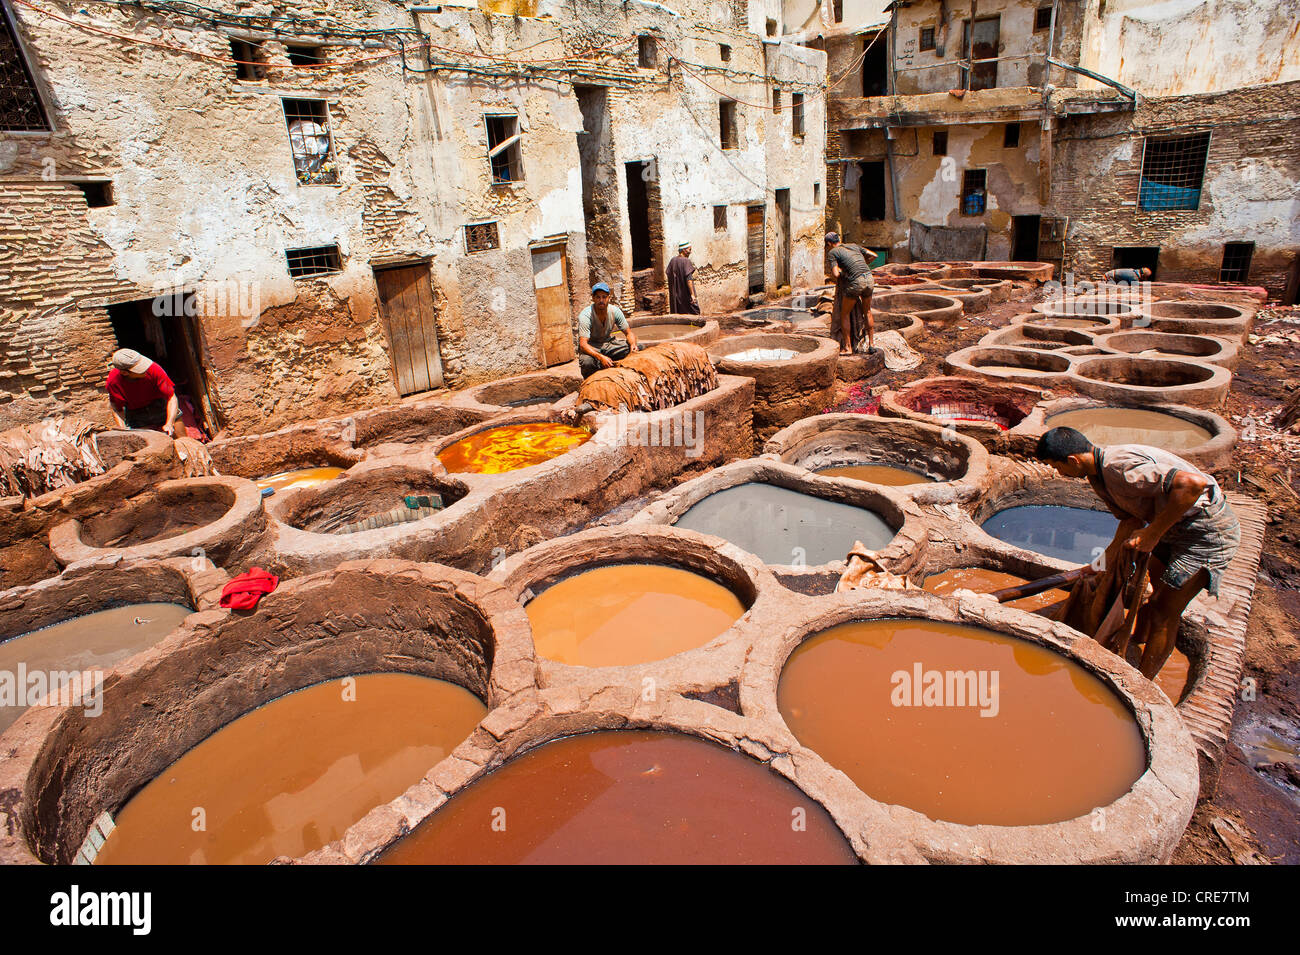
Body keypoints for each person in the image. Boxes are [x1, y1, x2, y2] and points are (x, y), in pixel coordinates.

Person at [1035, 426, 1240, 679]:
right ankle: (1138, 642)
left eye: (1057, 467)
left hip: (1204, 533)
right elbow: (1130, 523)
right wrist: (1100, 564)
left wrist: (1153, 533)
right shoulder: (1097, 475)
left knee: (1163, 611)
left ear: (1072, 460)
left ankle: (1141, 684)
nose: (1060, 474)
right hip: (1173, 525)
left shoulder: (1118, 468)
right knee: (1148, 588)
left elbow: (1192, 485)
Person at [105, 348, 180, 437]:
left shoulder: (153, 368)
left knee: (180, 435)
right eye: (140, 368)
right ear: (125, 373)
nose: (145, 369)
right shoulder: (113, 382)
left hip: (160, 404)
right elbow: (117, 408)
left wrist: (169, 423)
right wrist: (123, 429)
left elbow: (172, 397)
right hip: (137, 413)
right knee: (146, 442)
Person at [825, 232, 875, 355]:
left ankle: (848, 347)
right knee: (867, 311)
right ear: (839, 239)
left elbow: (836, 274)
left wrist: (846, 272)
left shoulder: (833, 252)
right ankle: (871, 344)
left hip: (856, 282)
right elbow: (873, 255)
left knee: (844, 314)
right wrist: (859, 266)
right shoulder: (853, 245)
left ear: (829, 243)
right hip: (869, 278)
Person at [577, 282, 640, 378]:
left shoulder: (615, 311)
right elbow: (583, 344)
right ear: (593, 298)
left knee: (639, 347)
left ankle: (629, 378)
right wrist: (600, 357)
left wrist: (633, 345)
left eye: (604, 297)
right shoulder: (586, 315)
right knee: (587, 362)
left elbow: (628, 333)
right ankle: (591, 383)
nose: (601, 300)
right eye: (598, 297)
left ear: (608, 298)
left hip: (608, 344)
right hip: (592, 347)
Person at [666, 242, 700, 315]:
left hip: (676, 296)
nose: (690, 252)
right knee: (694, 313)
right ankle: (693, 326)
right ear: (684, 250)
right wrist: (692, 295)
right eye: (689, 250)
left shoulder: (673, 260)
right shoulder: (686, 261)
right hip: (685, 295)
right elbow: (689, 279)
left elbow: (669, 274)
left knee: (679, 314)